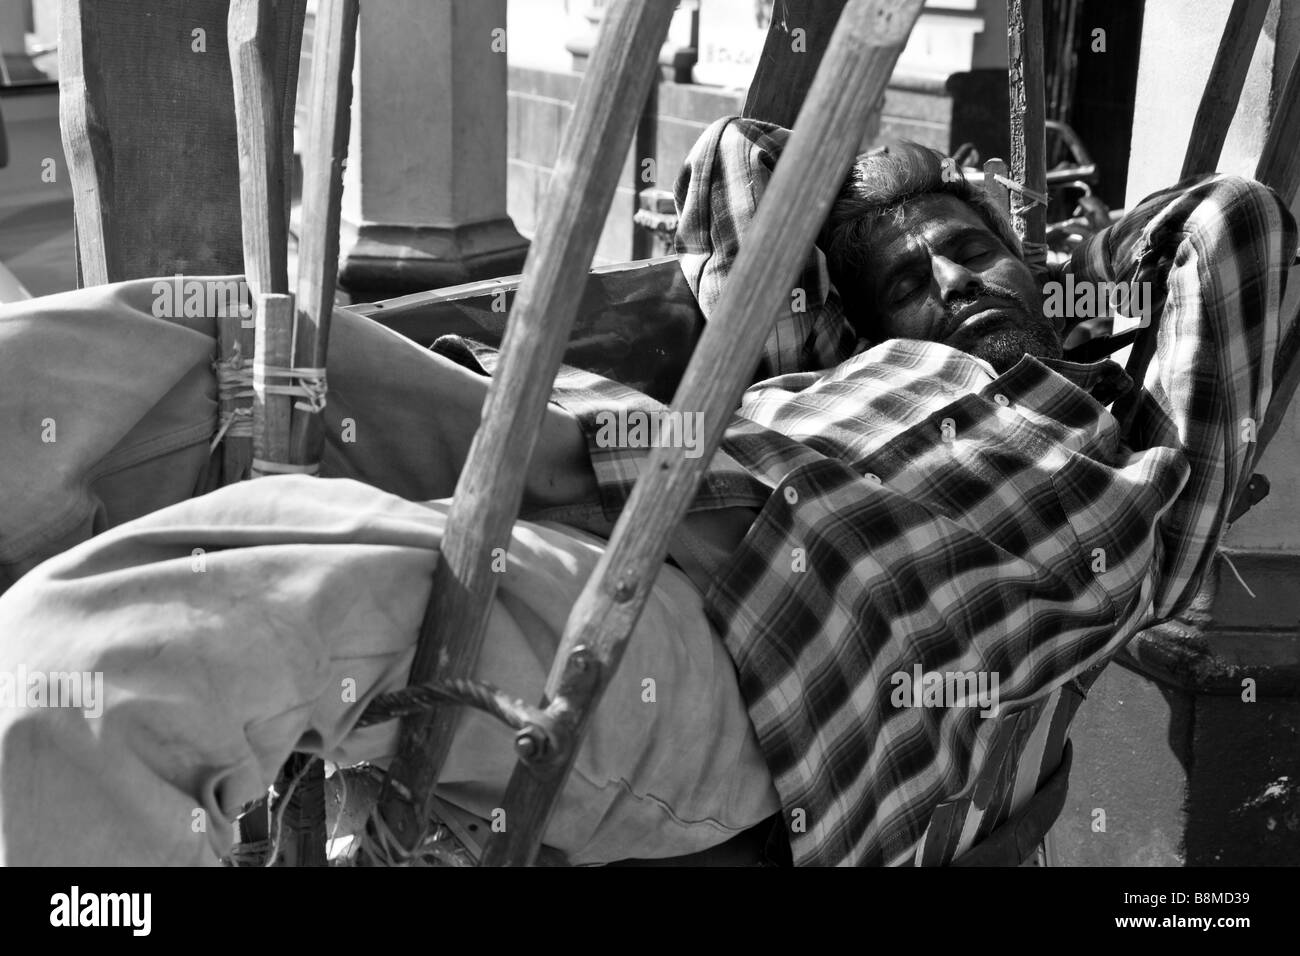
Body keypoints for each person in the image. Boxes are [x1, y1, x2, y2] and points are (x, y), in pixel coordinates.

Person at [0, 117, 1293, 867]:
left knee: (118, 659)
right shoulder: (838, 361)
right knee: (219, 333)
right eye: (909, 282)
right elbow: (746, 164)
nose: (950, 288)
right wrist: (856, 255)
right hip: (618, 455)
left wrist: (1076, 260)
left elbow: (1237, 222)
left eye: (967, 256)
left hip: (729, 625)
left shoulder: (1146, 454)